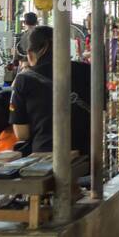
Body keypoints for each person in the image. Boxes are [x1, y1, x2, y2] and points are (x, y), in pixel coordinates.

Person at [9, 25, 94, 158]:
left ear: (30, 54)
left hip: (46, 156)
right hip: (87, 154)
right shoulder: (86, 71)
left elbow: (22, 133)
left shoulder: (23, 80)